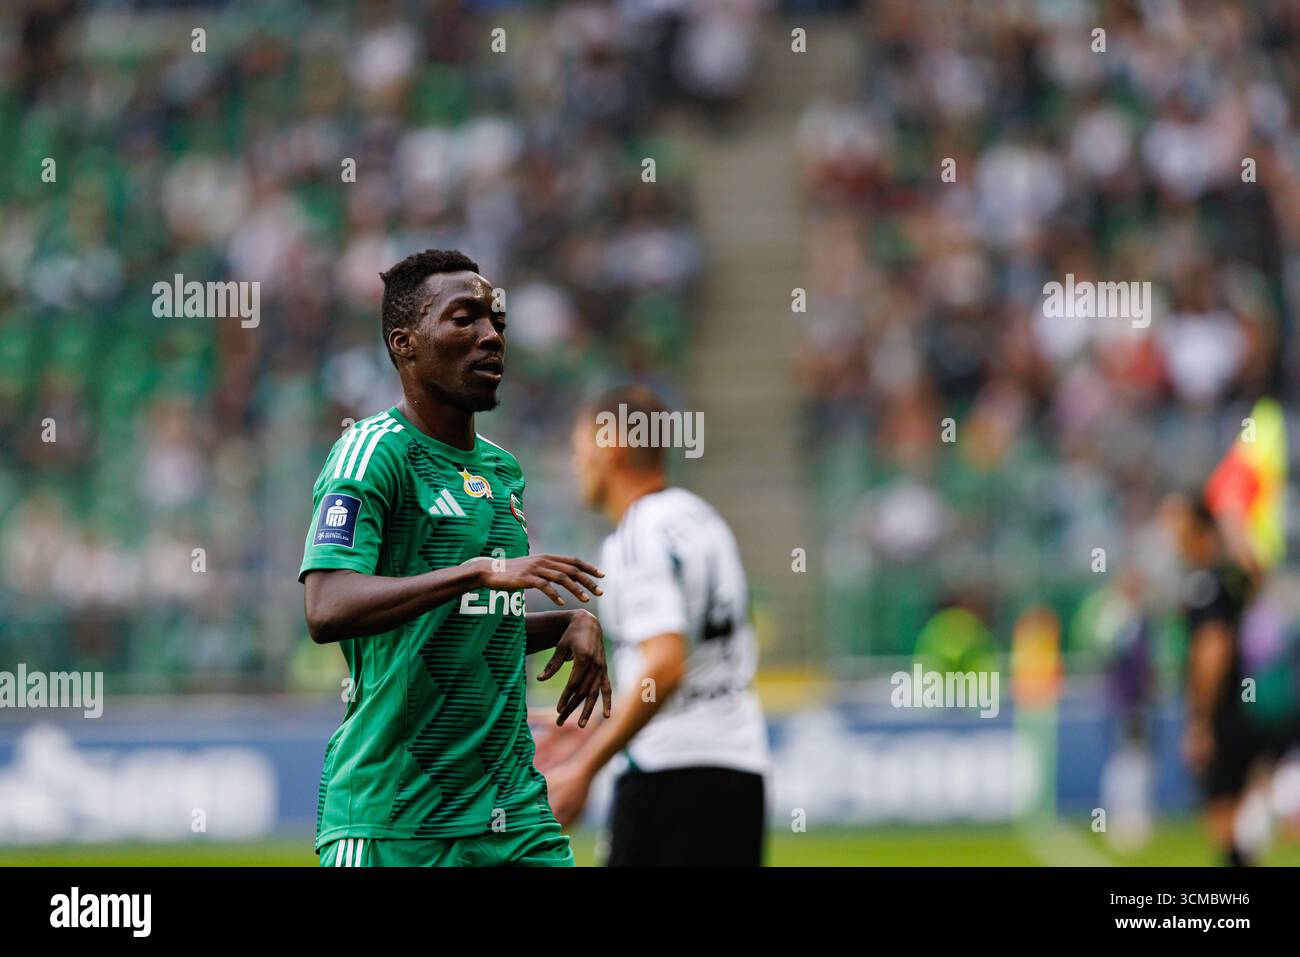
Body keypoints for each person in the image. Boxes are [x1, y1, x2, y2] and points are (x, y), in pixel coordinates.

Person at [299, 248, 612, 867]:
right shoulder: (371, 454)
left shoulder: (502, 470)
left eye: (497, 320)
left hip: (512, 814)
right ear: (405, 343)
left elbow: (467, 621)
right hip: (394, 820)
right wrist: (483, 570)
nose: (491, 336)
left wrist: (566, 624)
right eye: (463, 319)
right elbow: (326, 607)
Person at [539, 385, 769, 866]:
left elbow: (665, 666)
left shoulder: (638, 535)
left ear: (611, 446)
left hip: (669, 776)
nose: (576, 464)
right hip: (740, 768)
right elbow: (702, 660)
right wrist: (594, 724)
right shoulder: (702, 519)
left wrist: (586, 766)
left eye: (580, 449)